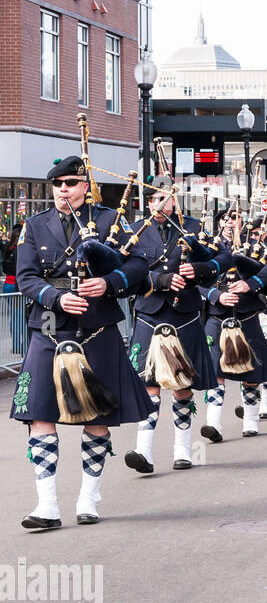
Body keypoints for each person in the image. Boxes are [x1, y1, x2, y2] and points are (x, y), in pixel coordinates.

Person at [11, 156, 152, 527]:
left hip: (97, 328)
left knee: (98, 416)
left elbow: (138, 266)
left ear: (85, 186)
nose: (62, 190)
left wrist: (110, 282)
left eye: (70, 183)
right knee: (39, 414)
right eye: (57, 184)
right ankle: (47, 506)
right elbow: (24, 276)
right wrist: (54, 297)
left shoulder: (109, 221)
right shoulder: (35, 225)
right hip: (49, 327)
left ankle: (89, 496)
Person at [124, 180, 229, 474]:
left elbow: (224, 258)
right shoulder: (134, 233)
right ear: (147, 203)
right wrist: (159, 280)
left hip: (185, 314)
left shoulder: (193, 228)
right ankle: (143, 450)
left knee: (182, 385)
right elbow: (125, 272)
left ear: (174, 201)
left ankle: (182, 449)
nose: (160, 204)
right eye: (155, 199)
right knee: (149, 384)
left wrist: (199, 269)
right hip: (149, 314)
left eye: (165, 198)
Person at [197, 210, 267, 442]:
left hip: (246, 315)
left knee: (252, 371)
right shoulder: (207, 246)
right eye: (225, 218)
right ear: (219, 223)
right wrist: (216, 294)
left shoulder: (256, 245)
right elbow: (193, 278)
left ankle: (251, 421)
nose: (229, 222)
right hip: (217, 316)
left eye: (235, 218)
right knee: (215, 372)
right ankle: (213, 423)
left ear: (242, 223)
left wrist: (250, 285)